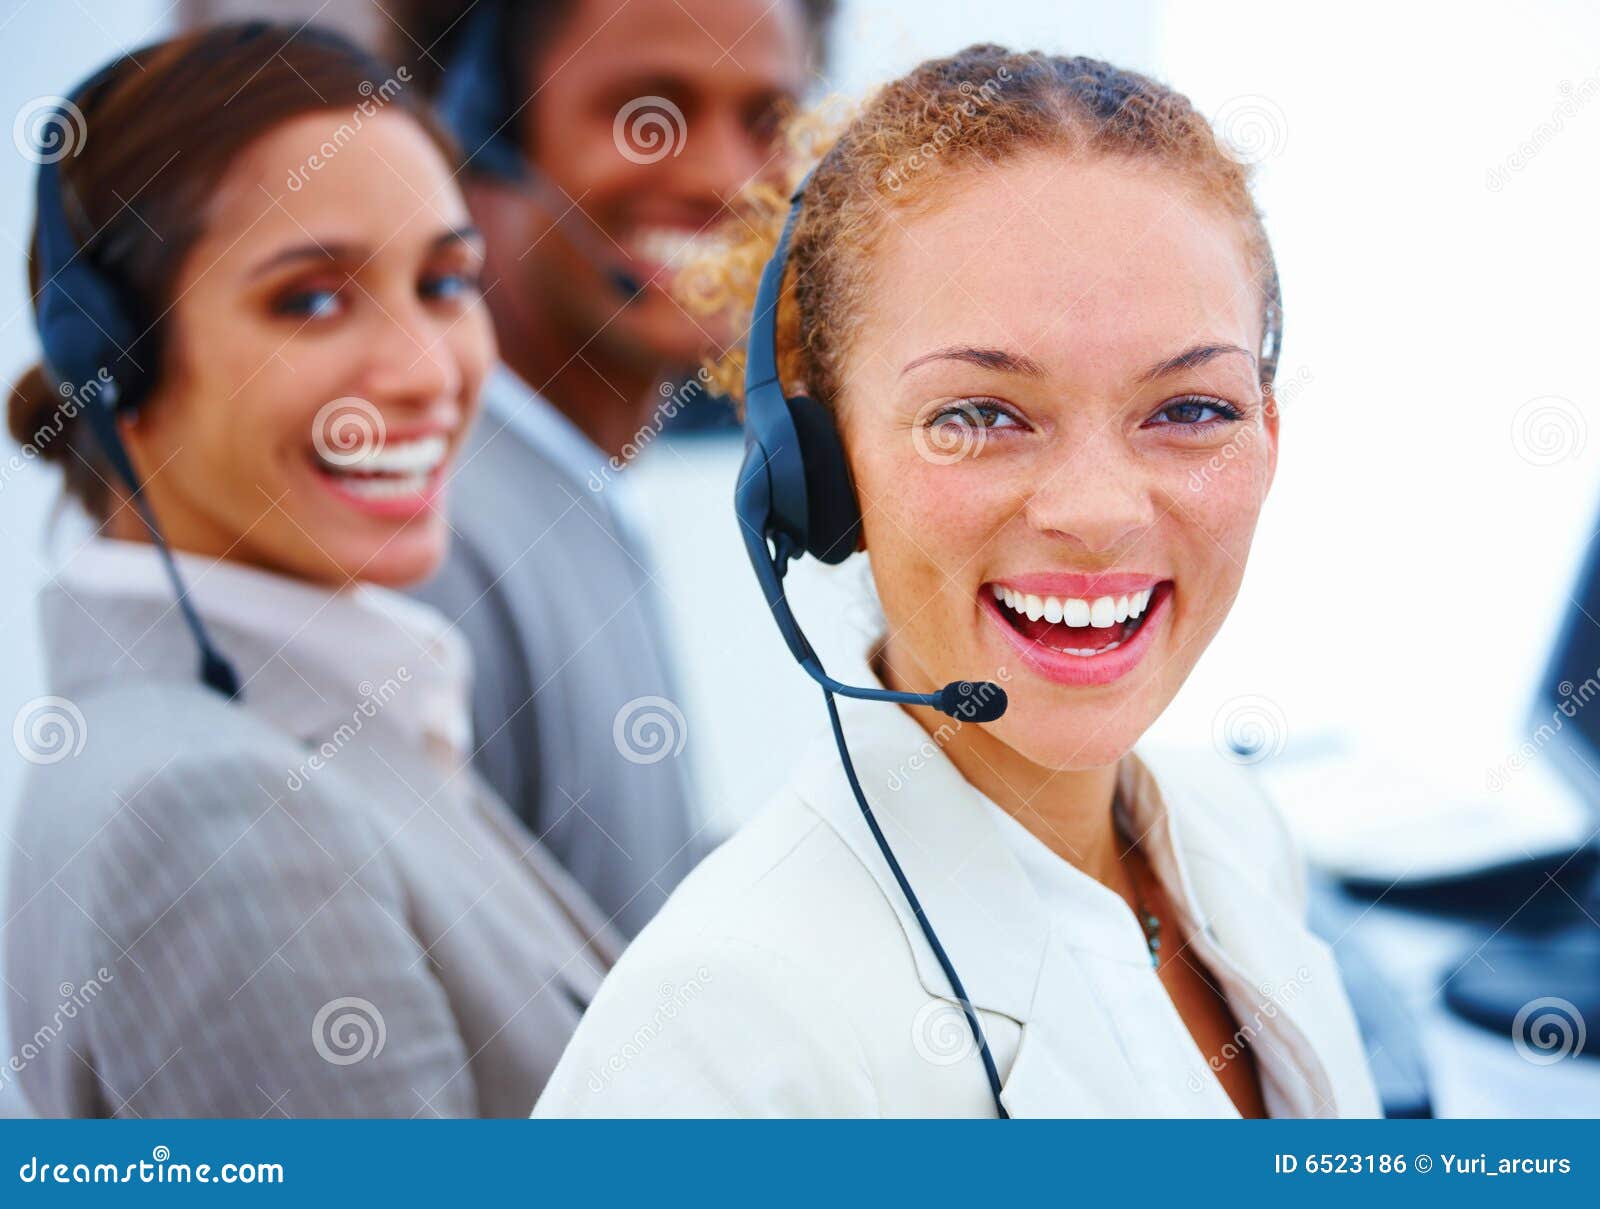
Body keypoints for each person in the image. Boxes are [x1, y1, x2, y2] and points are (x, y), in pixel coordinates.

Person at [533, 46, 1383, 1118]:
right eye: (976, 416)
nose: (1097, 509)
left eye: (1189, 409)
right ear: (821, 466)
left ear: (1267, 429)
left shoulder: (1232, 834)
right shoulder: (712, 1040)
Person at [3, 23, 618, 1118]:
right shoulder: (215, 815)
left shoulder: (296, 727)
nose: (428, 373)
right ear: (118, 357)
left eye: (445, 282)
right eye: (314, 300)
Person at [388, 0, 837, 937]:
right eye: (649, 111)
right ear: (482, 132)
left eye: (769, 122)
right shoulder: (427, 538)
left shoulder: (564, 492)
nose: (723, 175)